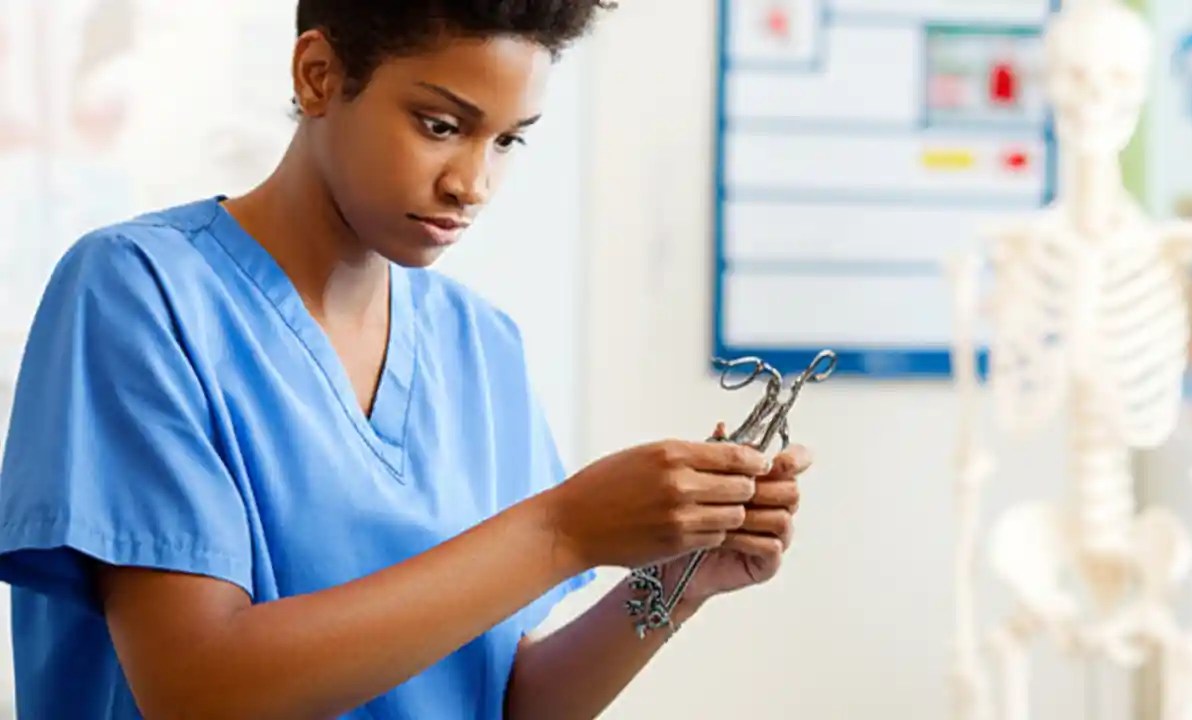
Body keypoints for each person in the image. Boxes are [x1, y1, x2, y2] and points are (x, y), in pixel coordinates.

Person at [0, 1, 813, 718]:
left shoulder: (481, 346)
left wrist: (674, 581)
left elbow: (506, 700)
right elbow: (201, 690)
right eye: (440, 125)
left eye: (508, 141)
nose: (473, 183)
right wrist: (564, 530)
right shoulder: (140, 293)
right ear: (319, 75)